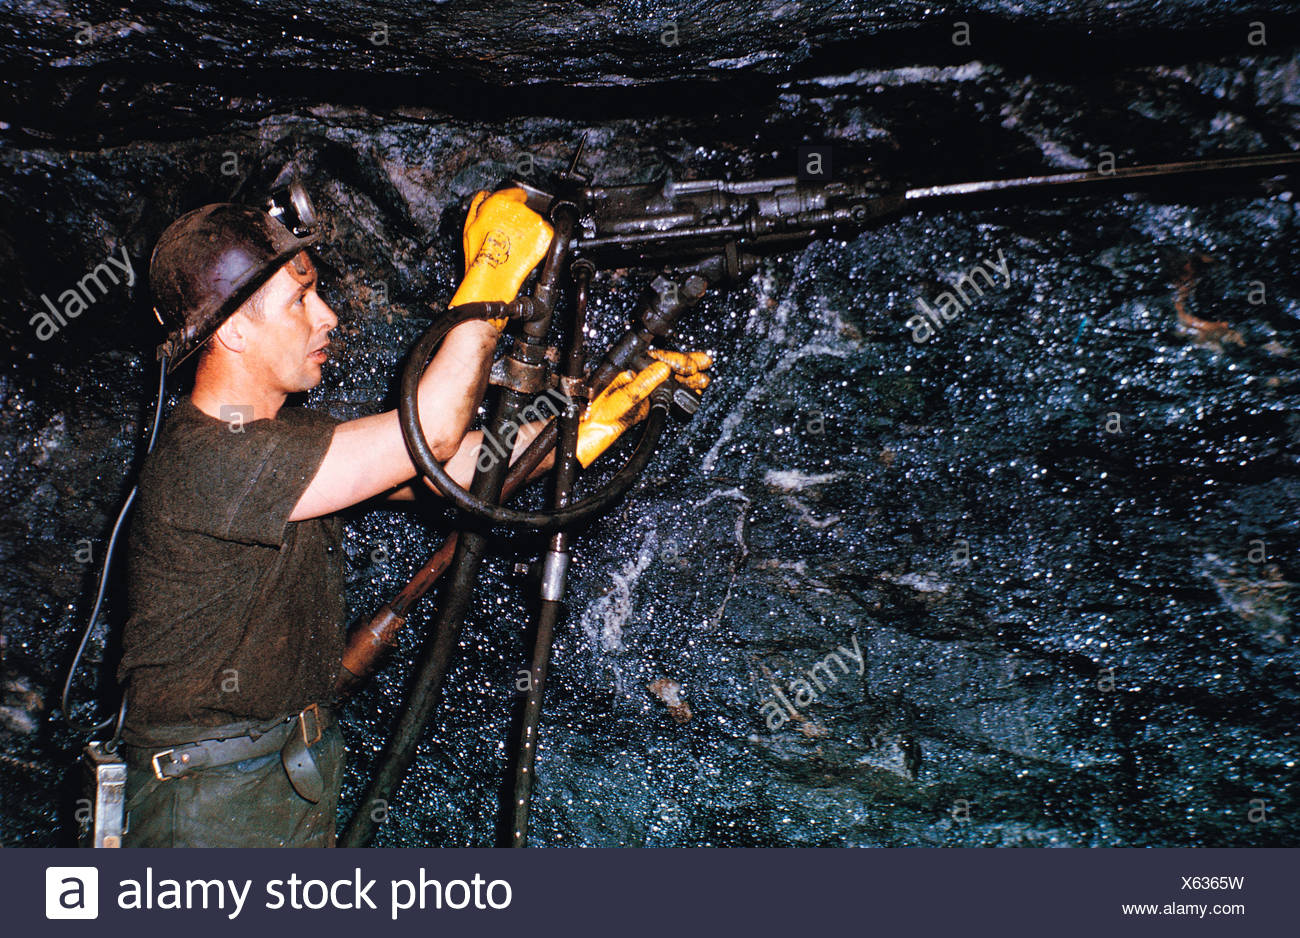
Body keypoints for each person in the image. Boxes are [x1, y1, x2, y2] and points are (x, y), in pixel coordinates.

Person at [116, 184, 709, 847]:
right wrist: (492, 274)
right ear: (234, 328)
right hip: (204, 809)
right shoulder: (212, 459)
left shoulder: (280, 443)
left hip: (271, 780)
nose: (329, 316)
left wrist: (599, 418)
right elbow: (434, 431)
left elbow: (454, 472)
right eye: (300, 299)